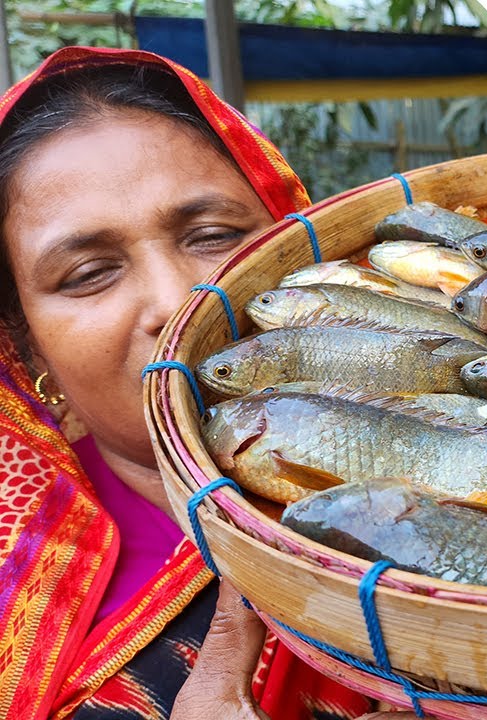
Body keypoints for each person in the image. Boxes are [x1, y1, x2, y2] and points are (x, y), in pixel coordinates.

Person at [0, 46, 391, 719]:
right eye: (89, 273)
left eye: (213, 234)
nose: (178, 300)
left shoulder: (456, 462)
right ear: (24, 339)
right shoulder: (20, 578)